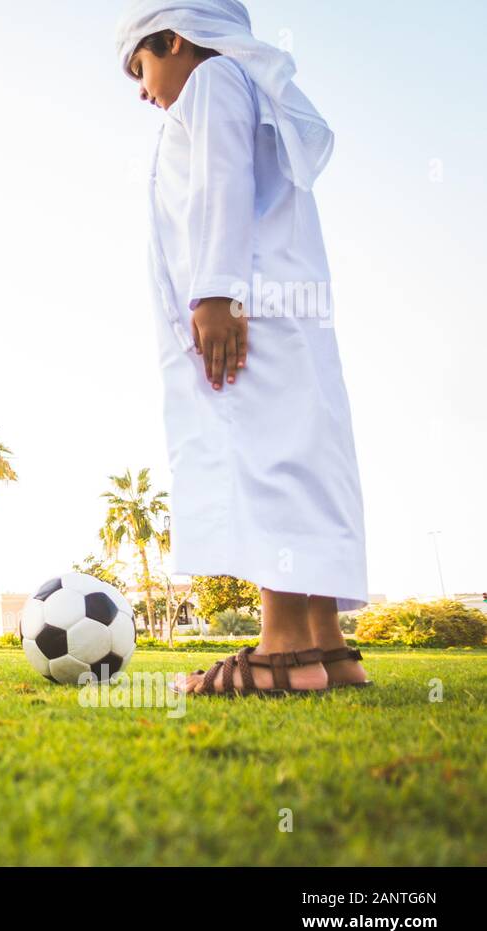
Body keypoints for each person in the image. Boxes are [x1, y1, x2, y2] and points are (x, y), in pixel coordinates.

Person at [115, 0, 372, 694]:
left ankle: (283, 652)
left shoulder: (214, 83)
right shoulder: (242, 89)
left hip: (244, 307)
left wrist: (217, 293)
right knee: (302, 455)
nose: (142, 91)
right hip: (284, 311)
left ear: (174, 39)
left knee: (269, 460)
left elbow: (220, 186)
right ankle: (327, 645)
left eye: (140, 67)